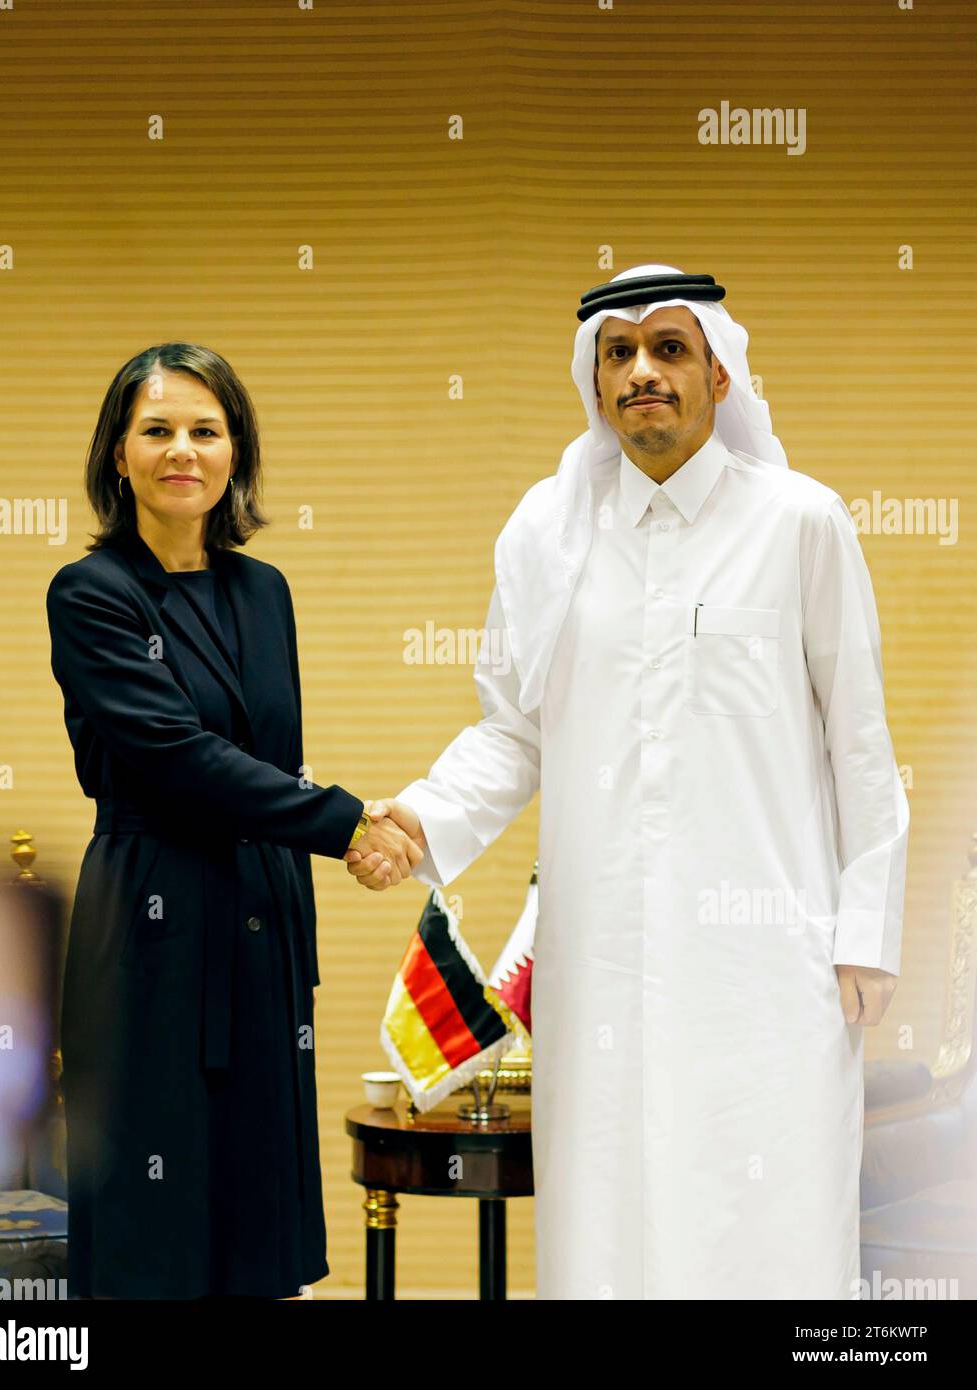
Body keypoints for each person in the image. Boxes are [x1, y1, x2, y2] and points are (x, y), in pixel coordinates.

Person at [345, 265, 910, 1299]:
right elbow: (511, 733)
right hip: (600, 958)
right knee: (606, 1224)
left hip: (765, 968)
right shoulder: (543, 533)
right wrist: (414, 819)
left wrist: (864, 934)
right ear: (594, 380)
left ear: (718, 377)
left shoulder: (799, 522)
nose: (641, 372)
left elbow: (859, 743)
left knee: (765, 1220)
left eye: (668, 349)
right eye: (619, 353)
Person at [45, 342, 424, 1299]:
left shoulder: (266, 592)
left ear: (234, 450)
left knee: (259, 1223)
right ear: (118, 454)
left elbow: (266, 761)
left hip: (263, 924)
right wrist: (348, 821)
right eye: (157, 430)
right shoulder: (91, 594)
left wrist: (341, 819)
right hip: (150, 930)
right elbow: (178, 760)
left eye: (206, 431)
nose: (184, 450)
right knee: (152, 1224)